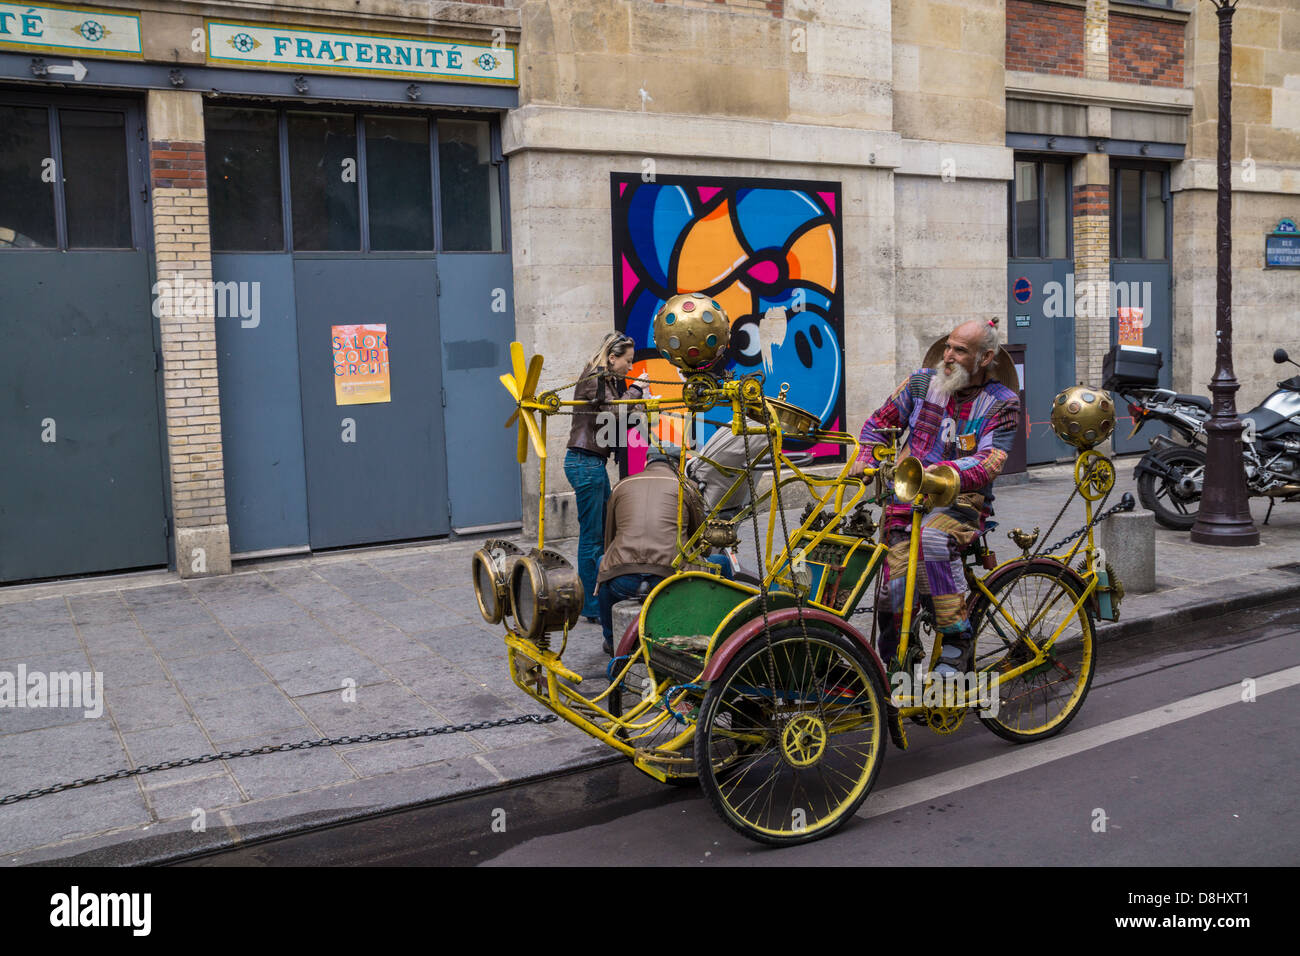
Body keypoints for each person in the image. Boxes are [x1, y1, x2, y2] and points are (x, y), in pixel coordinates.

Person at [850, 319, 1020, 678]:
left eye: (960, 350)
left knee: (931, 540)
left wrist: (941, 477)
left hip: (959, 505)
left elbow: (992, 460)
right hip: (904, 504)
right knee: (891, 591)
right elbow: (878, 424)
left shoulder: (1003, 403)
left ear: (985, 357)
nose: (948, 356)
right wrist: (867, 458)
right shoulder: (920, 383)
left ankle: (957, 640)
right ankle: (894, 664)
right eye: (948, 347)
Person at [565, 331, 648, 622]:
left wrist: (640, 401)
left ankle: (598, 600)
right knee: (592, 538)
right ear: (612, 357)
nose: (630, 366)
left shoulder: (606, 379)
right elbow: (614, 413)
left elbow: (619, 416)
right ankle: (590, 605)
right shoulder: (595, 378)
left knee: (602, 532)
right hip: (584, 462)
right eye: (628, 360)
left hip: (591, 462)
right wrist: (637, 390)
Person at [596, 445, 705, 655]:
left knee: (603, 563)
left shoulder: (621, 485)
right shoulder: (687, 487)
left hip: (623, 581)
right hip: (669, 579)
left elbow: (609, 540)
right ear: (678, 466)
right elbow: (699, 539)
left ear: (646, 463)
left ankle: (611, 640)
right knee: (721, 567)